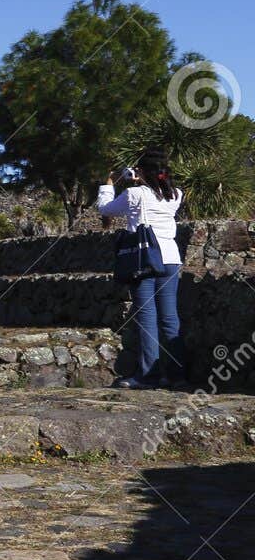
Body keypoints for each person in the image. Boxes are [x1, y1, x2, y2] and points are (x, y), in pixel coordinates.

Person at [96, 149, 185, 389]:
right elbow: (156, 194)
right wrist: (142, 181)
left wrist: (109, 182)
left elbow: (105, 209)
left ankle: (149, 375)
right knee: (169, 318)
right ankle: (177, 375)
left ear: (142, 171)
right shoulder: (176, 194)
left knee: (147, 318)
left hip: (145, 259)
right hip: (171, 258)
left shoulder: (134, 194)